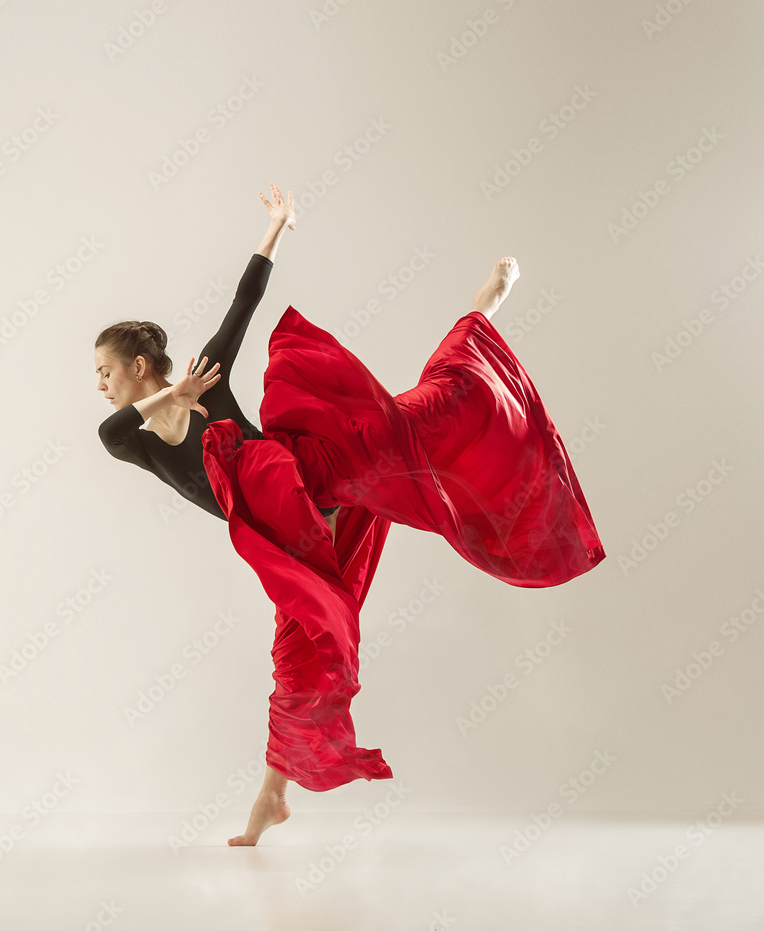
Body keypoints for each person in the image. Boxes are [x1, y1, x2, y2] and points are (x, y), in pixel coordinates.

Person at [95, 184, 605, 846]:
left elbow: (244, 302)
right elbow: (110, 432)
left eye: (105, 371)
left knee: (427, 413)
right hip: (292, 541)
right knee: (297, 661)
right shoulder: (133, 438)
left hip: (328, 470)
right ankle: (272, 798)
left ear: (138, 365)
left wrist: (276, 227)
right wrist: (173, 395)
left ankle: (481, 313)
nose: (100, 384)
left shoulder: (208, 382)